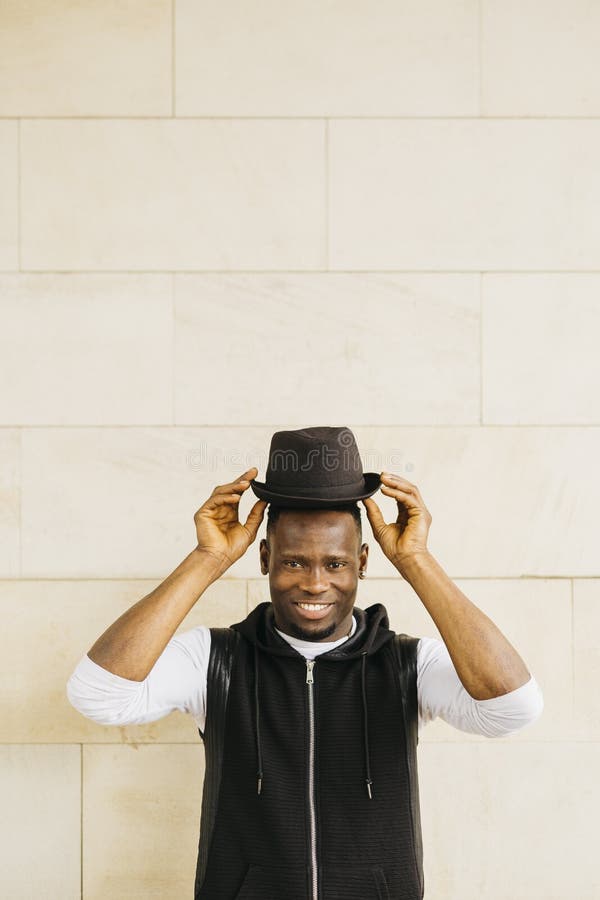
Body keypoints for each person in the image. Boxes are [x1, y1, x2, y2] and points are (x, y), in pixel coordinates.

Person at [67, 426, 543, 900]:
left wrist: (416, 560)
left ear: (362, 563)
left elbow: (513, 708)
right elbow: (97, 695)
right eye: (294, 562)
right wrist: (208, 558)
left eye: (335, 564)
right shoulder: (215, 660)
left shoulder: (406, 664)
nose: (315, 584)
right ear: (265, 558)